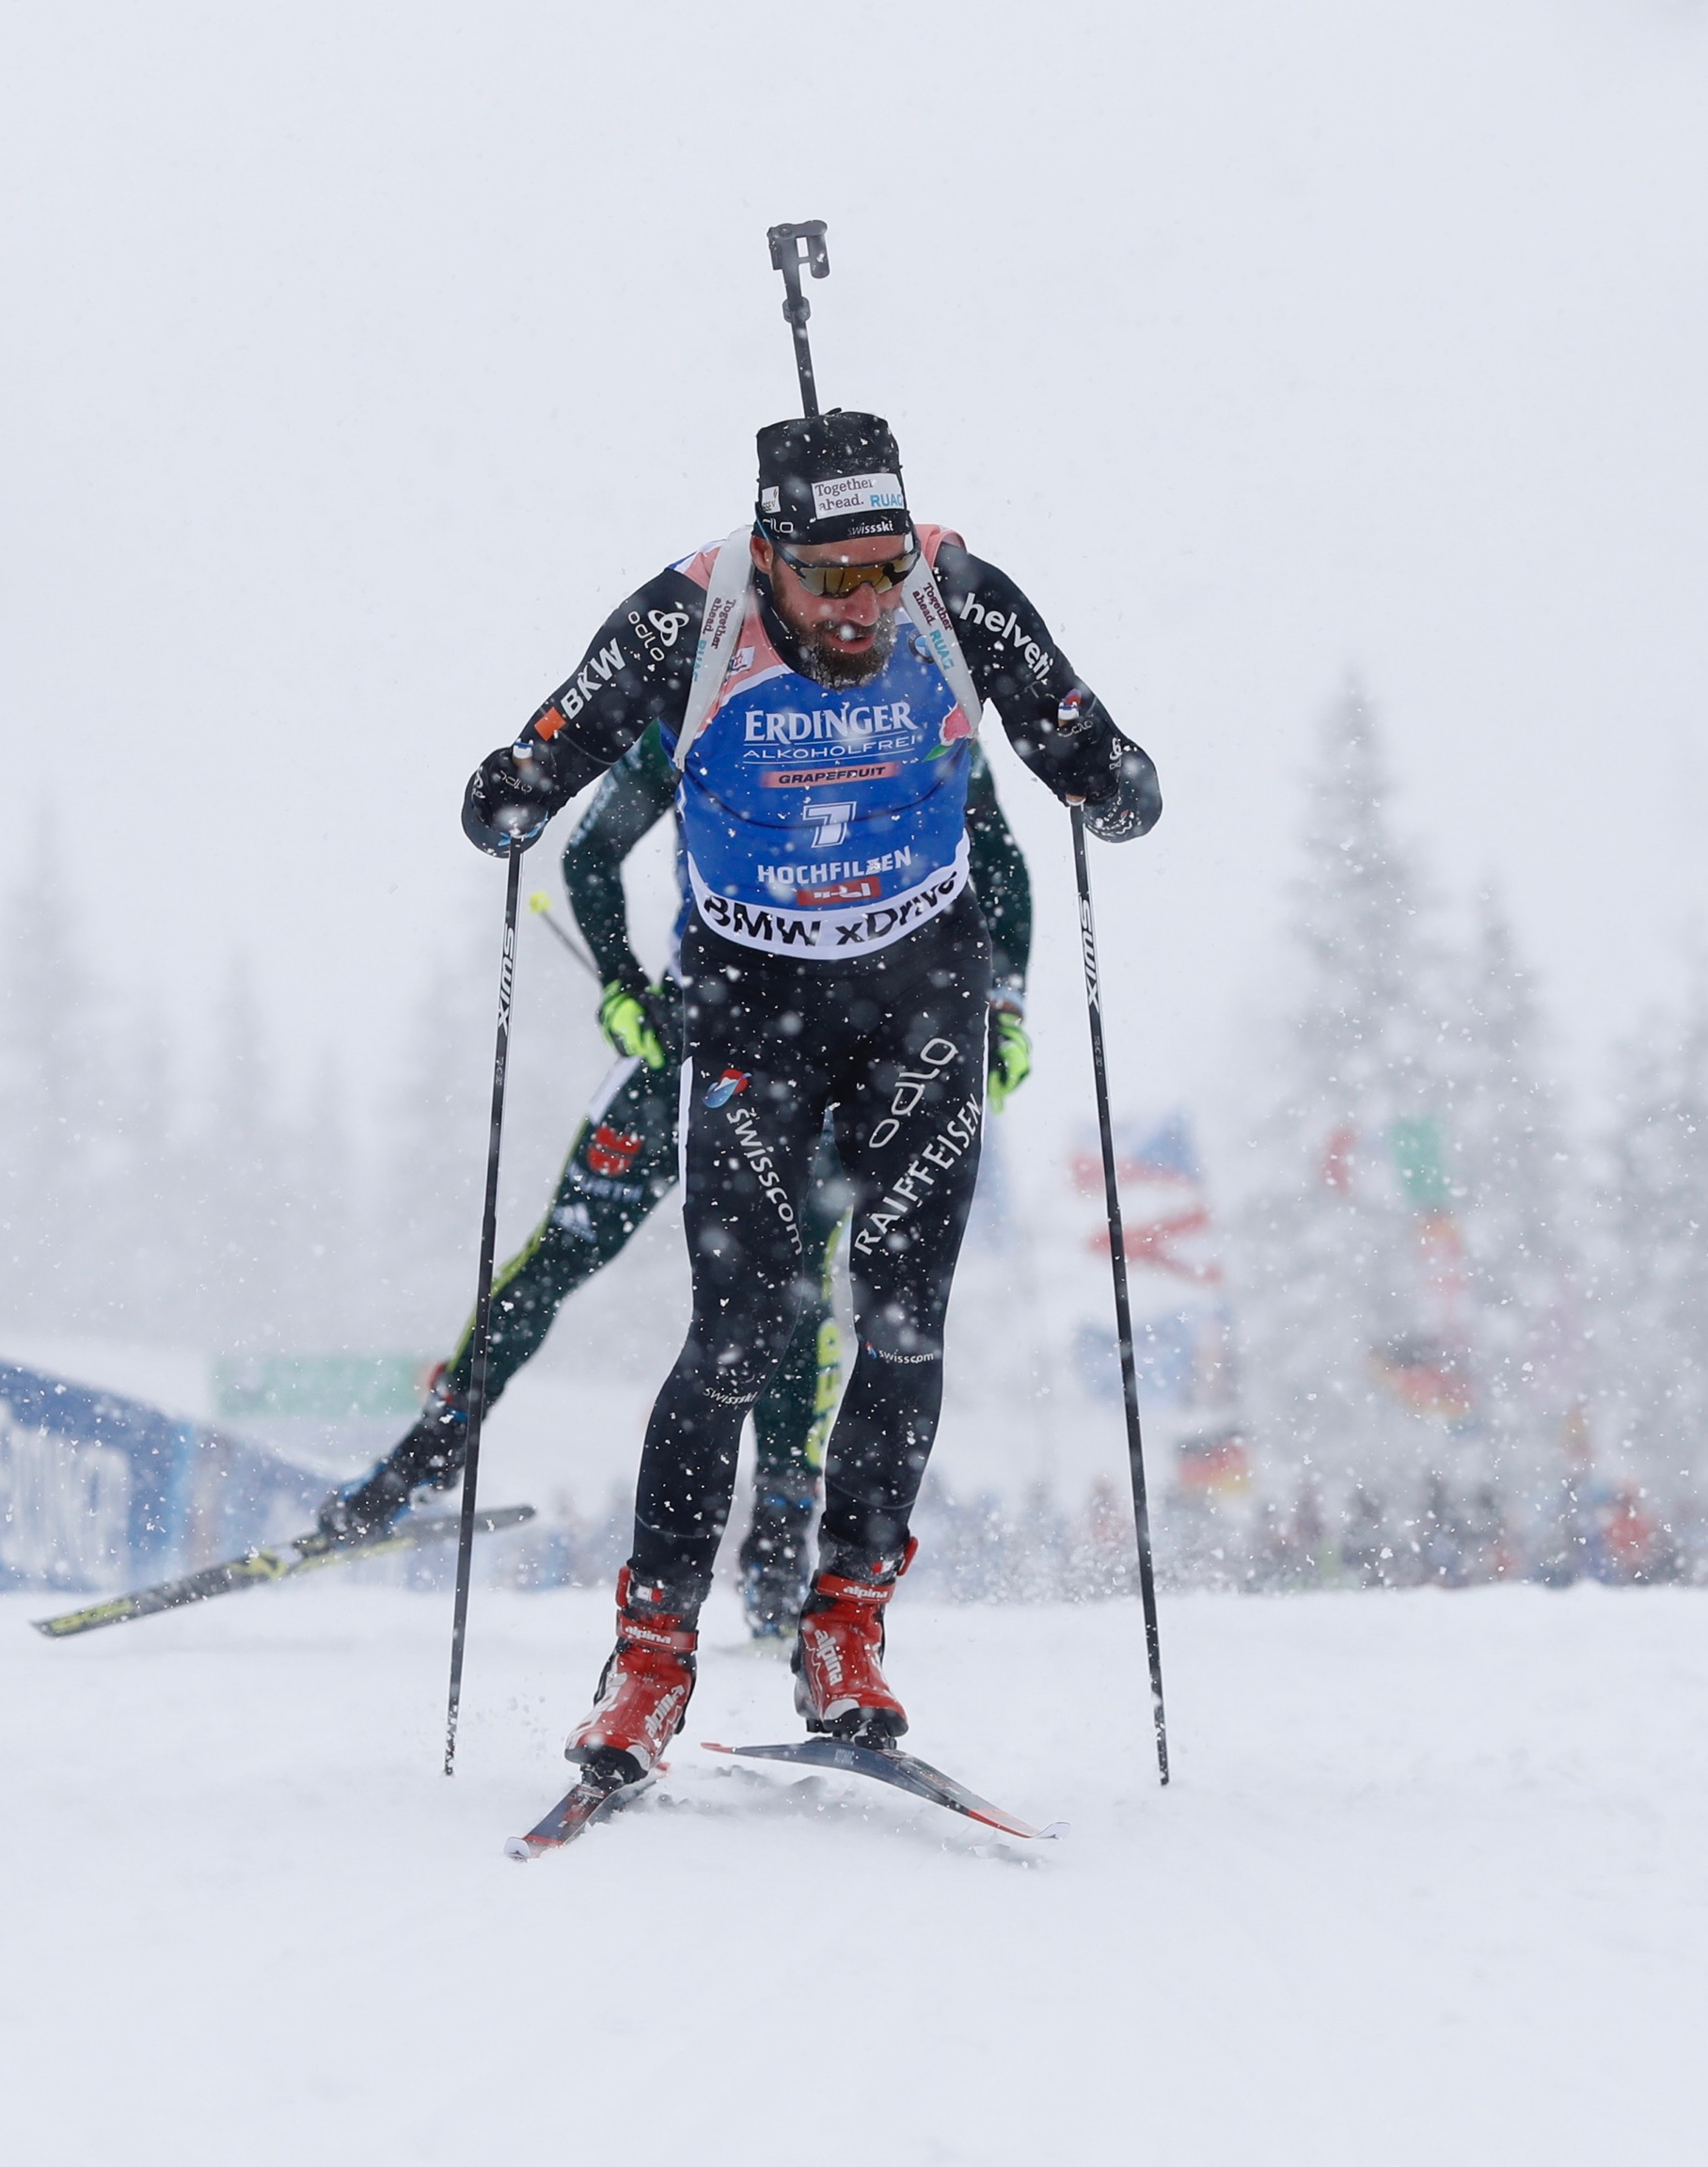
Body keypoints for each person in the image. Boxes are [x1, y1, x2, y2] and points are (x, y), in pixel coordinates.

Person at [461, 409, 1158, 1785]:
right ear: (768, 554)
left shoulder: (956, 594)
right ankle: (649, 1660)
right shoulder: (685, 619)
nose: (864, 605)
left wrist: (1112, 786)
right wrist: (512, 799)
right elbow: (533, 768)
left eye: (883, 568)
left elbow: (1094, 755)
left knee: (902, 1324)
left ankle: (844, 1626)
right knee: (738, 1335)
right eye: (831, 578)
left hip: (920, 1001)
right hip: (752, 1008)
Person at [317, 722, 1041, 1639]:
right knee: (564, 1255)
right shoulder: (706, 705)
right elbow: (590, 852)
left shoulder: (909, 705)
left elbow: (998, 858)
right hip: (703, 1039)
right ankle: (428, 1455)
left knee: (795, 1289)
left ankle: (778, 1534)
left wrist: (1001, 1004)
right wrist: (623, 984)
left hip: (839, 1056)